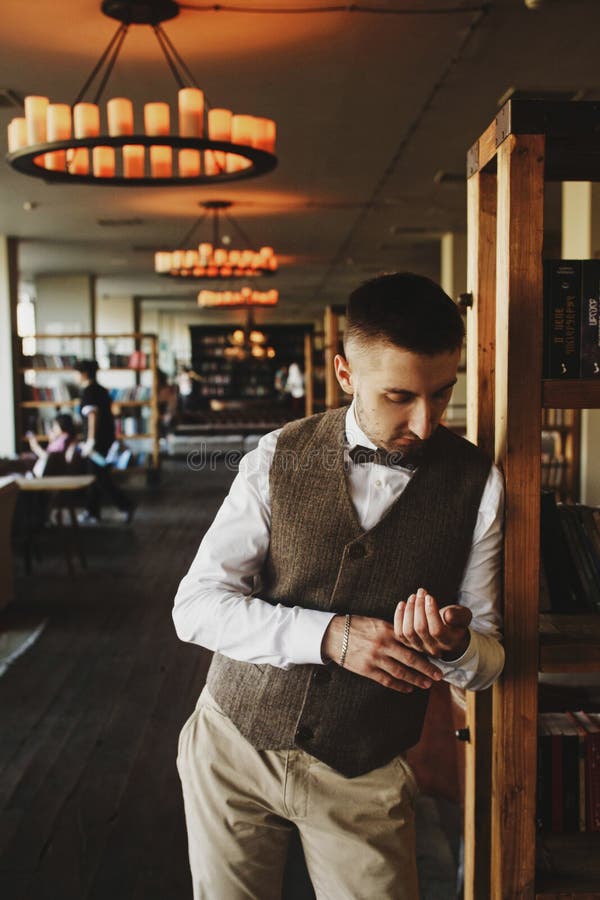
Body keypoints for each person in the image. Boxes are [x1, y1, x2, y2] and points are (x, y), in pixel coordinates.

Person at [173, 272, 505, 900]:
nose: (426, 422)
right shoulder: (278, 455)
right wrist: (330, 636)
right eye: (399, 396)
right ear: (346, 375)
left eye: (443, 394)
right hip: (232, 745)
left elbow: (487, 663)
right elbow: (194, 607)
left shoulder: (479, 485)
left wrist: (455, 647)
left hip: (367, 770)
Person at [75, 359, 135, 524]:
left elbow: (92, 416)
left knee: (100, 477)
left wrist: (91, 440)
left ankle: (126, 505)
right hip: (106, 439)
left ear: (84, 373)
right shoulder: (101, 390)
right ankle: (92, 511)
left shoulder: (89, 392)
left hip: (97, 442)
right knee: (95, 476)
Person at [26, 413, 79, 477]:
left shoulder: (62, 441)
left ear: (62, 425)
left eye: (55, 425)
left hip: (50, 475)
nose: (53, 428)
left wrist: (35, 447)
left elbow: (49, 459)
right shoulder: (65, 439)